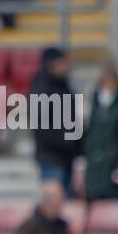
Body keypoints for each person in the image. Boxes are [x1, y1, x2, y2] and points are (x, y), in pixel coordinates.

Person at [29, 47, 81, 195]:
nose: (66, 66)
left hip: (66, 156)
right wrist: (66, 141)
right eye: (62, 62)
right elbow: (42, 127)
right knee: (53, 201)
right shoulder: (42, 89)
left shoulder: (63, 85)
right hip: (51, 156)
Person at [82, 64, 118, 201]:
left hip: (114, 159)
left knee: (114, 195)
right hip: (94, 160)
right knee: (93, 195)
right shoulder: (94, 102)